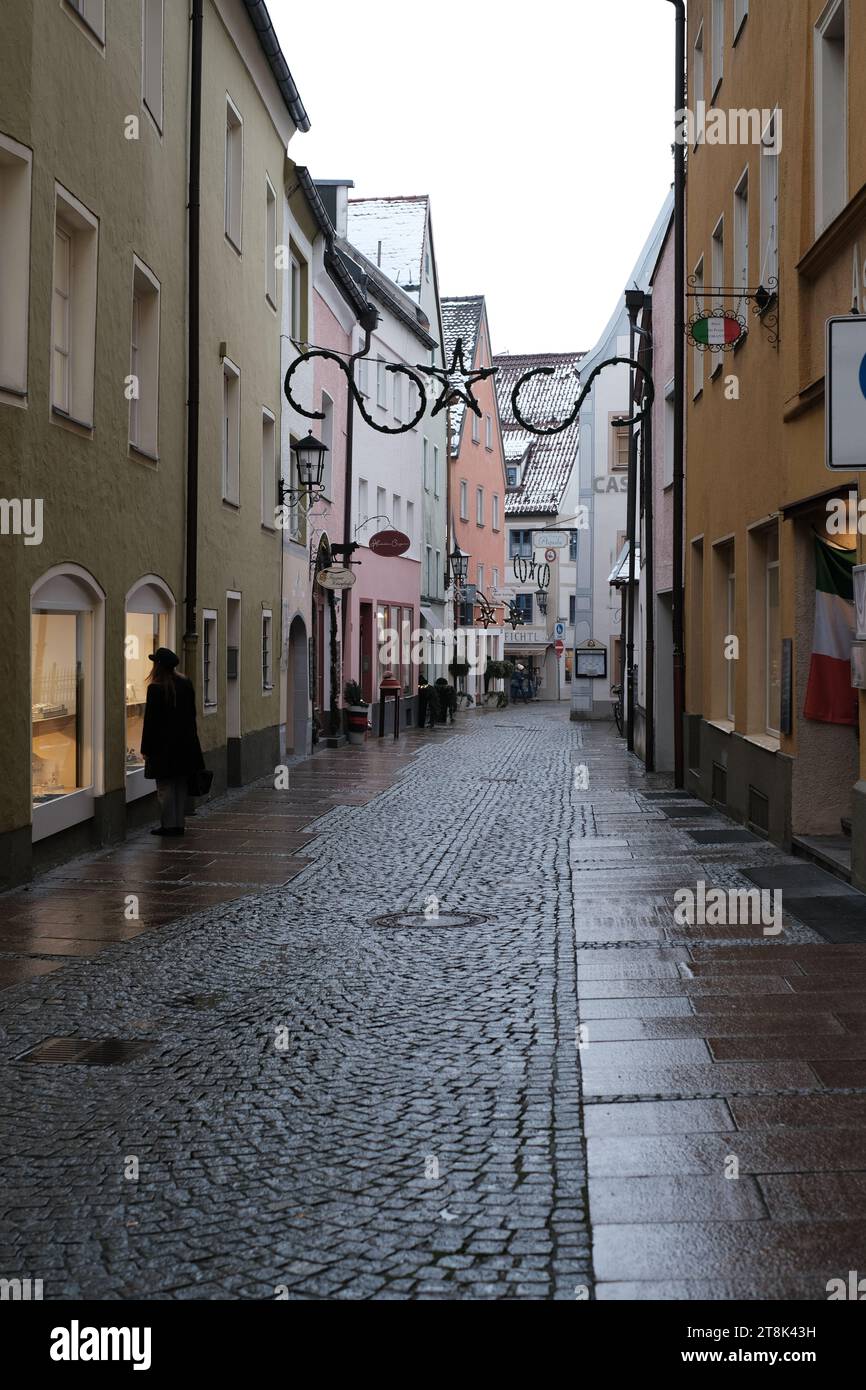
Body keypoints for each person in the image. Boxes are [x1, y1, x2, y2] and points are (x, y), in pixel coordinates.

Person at [141, 647, 206, 836]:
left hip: (163, 748)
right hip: (185, 745)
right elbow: (192, 715)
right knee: (180, 785)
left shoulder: (155, 688)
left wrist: (146, 749)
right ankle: (178, 824)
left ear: (158, 666)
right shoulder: (185, 684)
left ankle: (169, 825)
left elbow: (150, 723)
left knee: (165, 787)